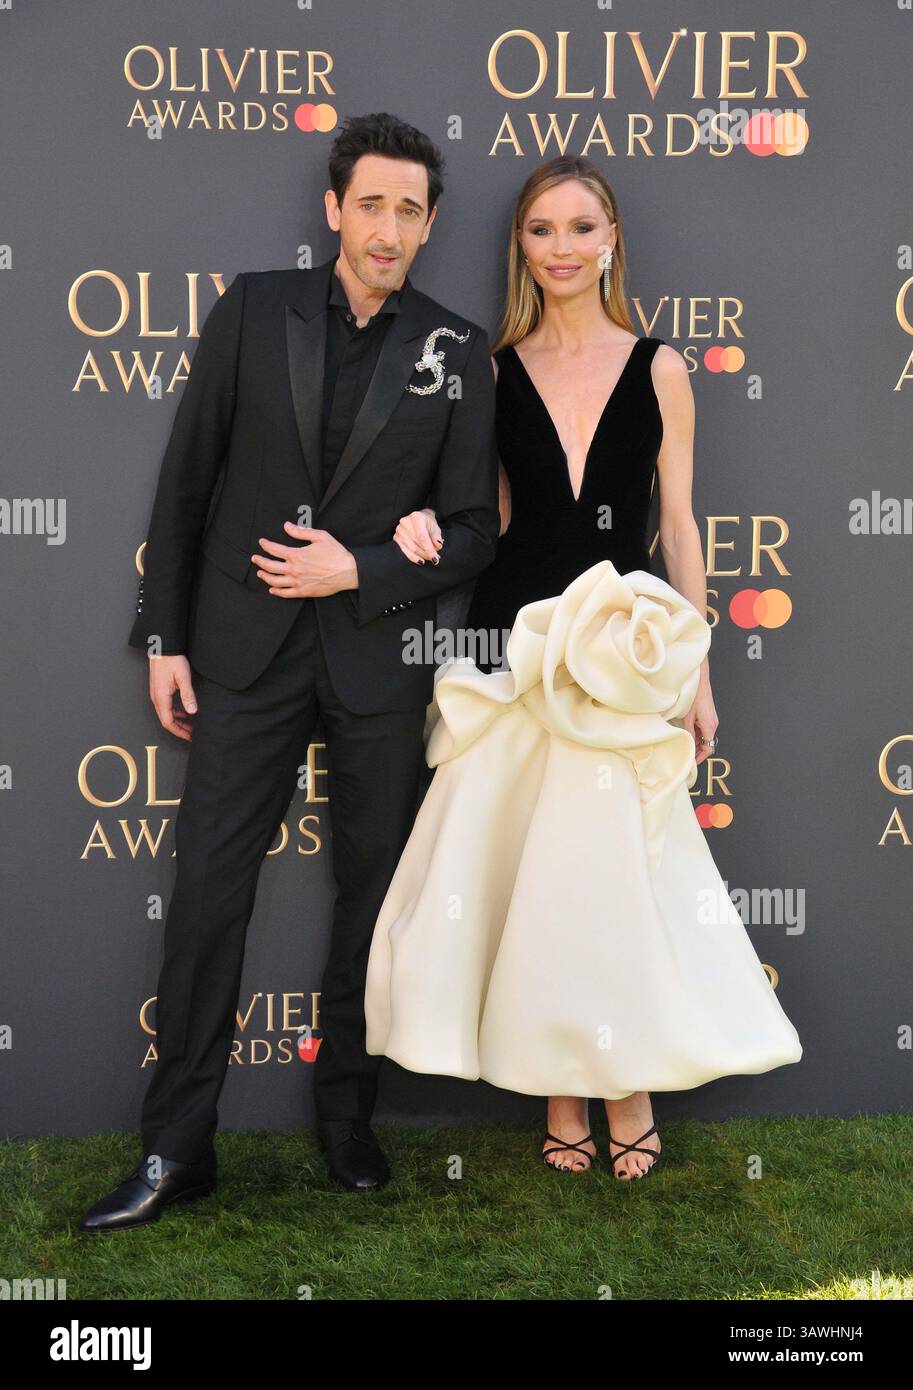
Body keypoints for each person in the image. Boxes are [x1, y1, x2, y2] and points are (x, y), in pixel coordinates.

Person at [79, 112, 500, 1232]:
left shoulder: (456, 351)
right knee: (210, 894)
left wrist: (353, 567)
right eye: (371, 202)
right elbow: (187, 484)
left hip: (375, 666)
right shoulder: (253, 308)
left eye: (410, 209)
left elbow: (471, 534)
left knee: (369, 902)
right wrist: (164, 638)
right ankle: (177, 1149)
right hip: (240, 658)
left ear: (429, 224)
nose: (389, 226)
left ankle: (346, 1122)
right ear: (334, 209)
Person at [364, 155, 803, 1179]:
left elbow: (680, 527)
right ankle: (563, 1089)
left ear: (609, 239)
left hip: (623, 653)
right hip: (516, 645)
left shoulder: (660, 367)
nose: (559, 249)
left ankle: (627, 1083)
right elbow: (490, 518)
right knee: (535, 879)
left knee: (615, 881)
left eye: (578, 228)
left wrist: (697, 673)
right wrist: (424, 524)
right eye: (538, 231)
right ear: (519, 247)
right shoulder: (490, 364)